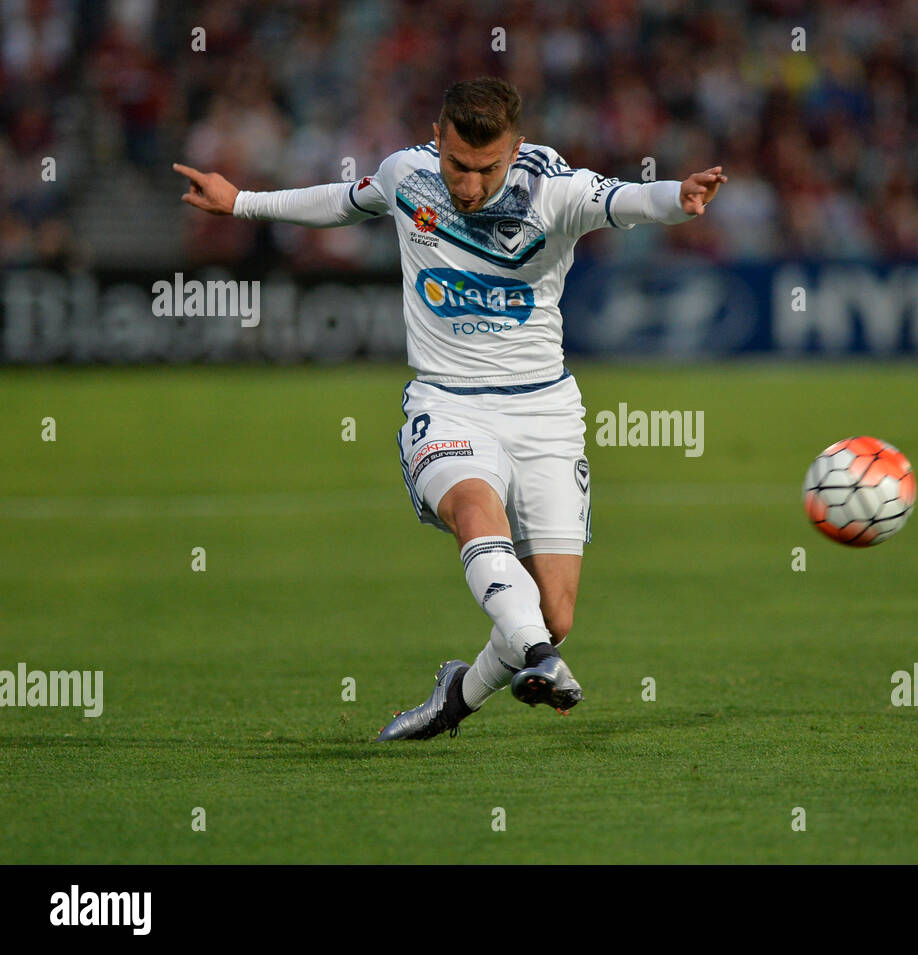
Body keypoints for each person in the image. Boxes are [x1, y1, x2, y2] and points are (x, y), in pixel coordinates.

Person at [173, 76, 726, 741]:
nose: (467, 183)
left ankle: (458, 696)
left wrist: (678, 196)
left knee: (553, 610)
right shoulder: (407, 175)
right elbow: (344, 203)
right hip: (447, 403)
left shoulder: (556, 188)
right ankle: (543, 663)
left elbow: (630, 200)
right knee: (474, 511)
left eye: (486, 168)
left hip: (544, 412)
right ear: (437, 139)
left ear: (515, 150)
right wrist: (243, 203)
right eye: (457, 164)